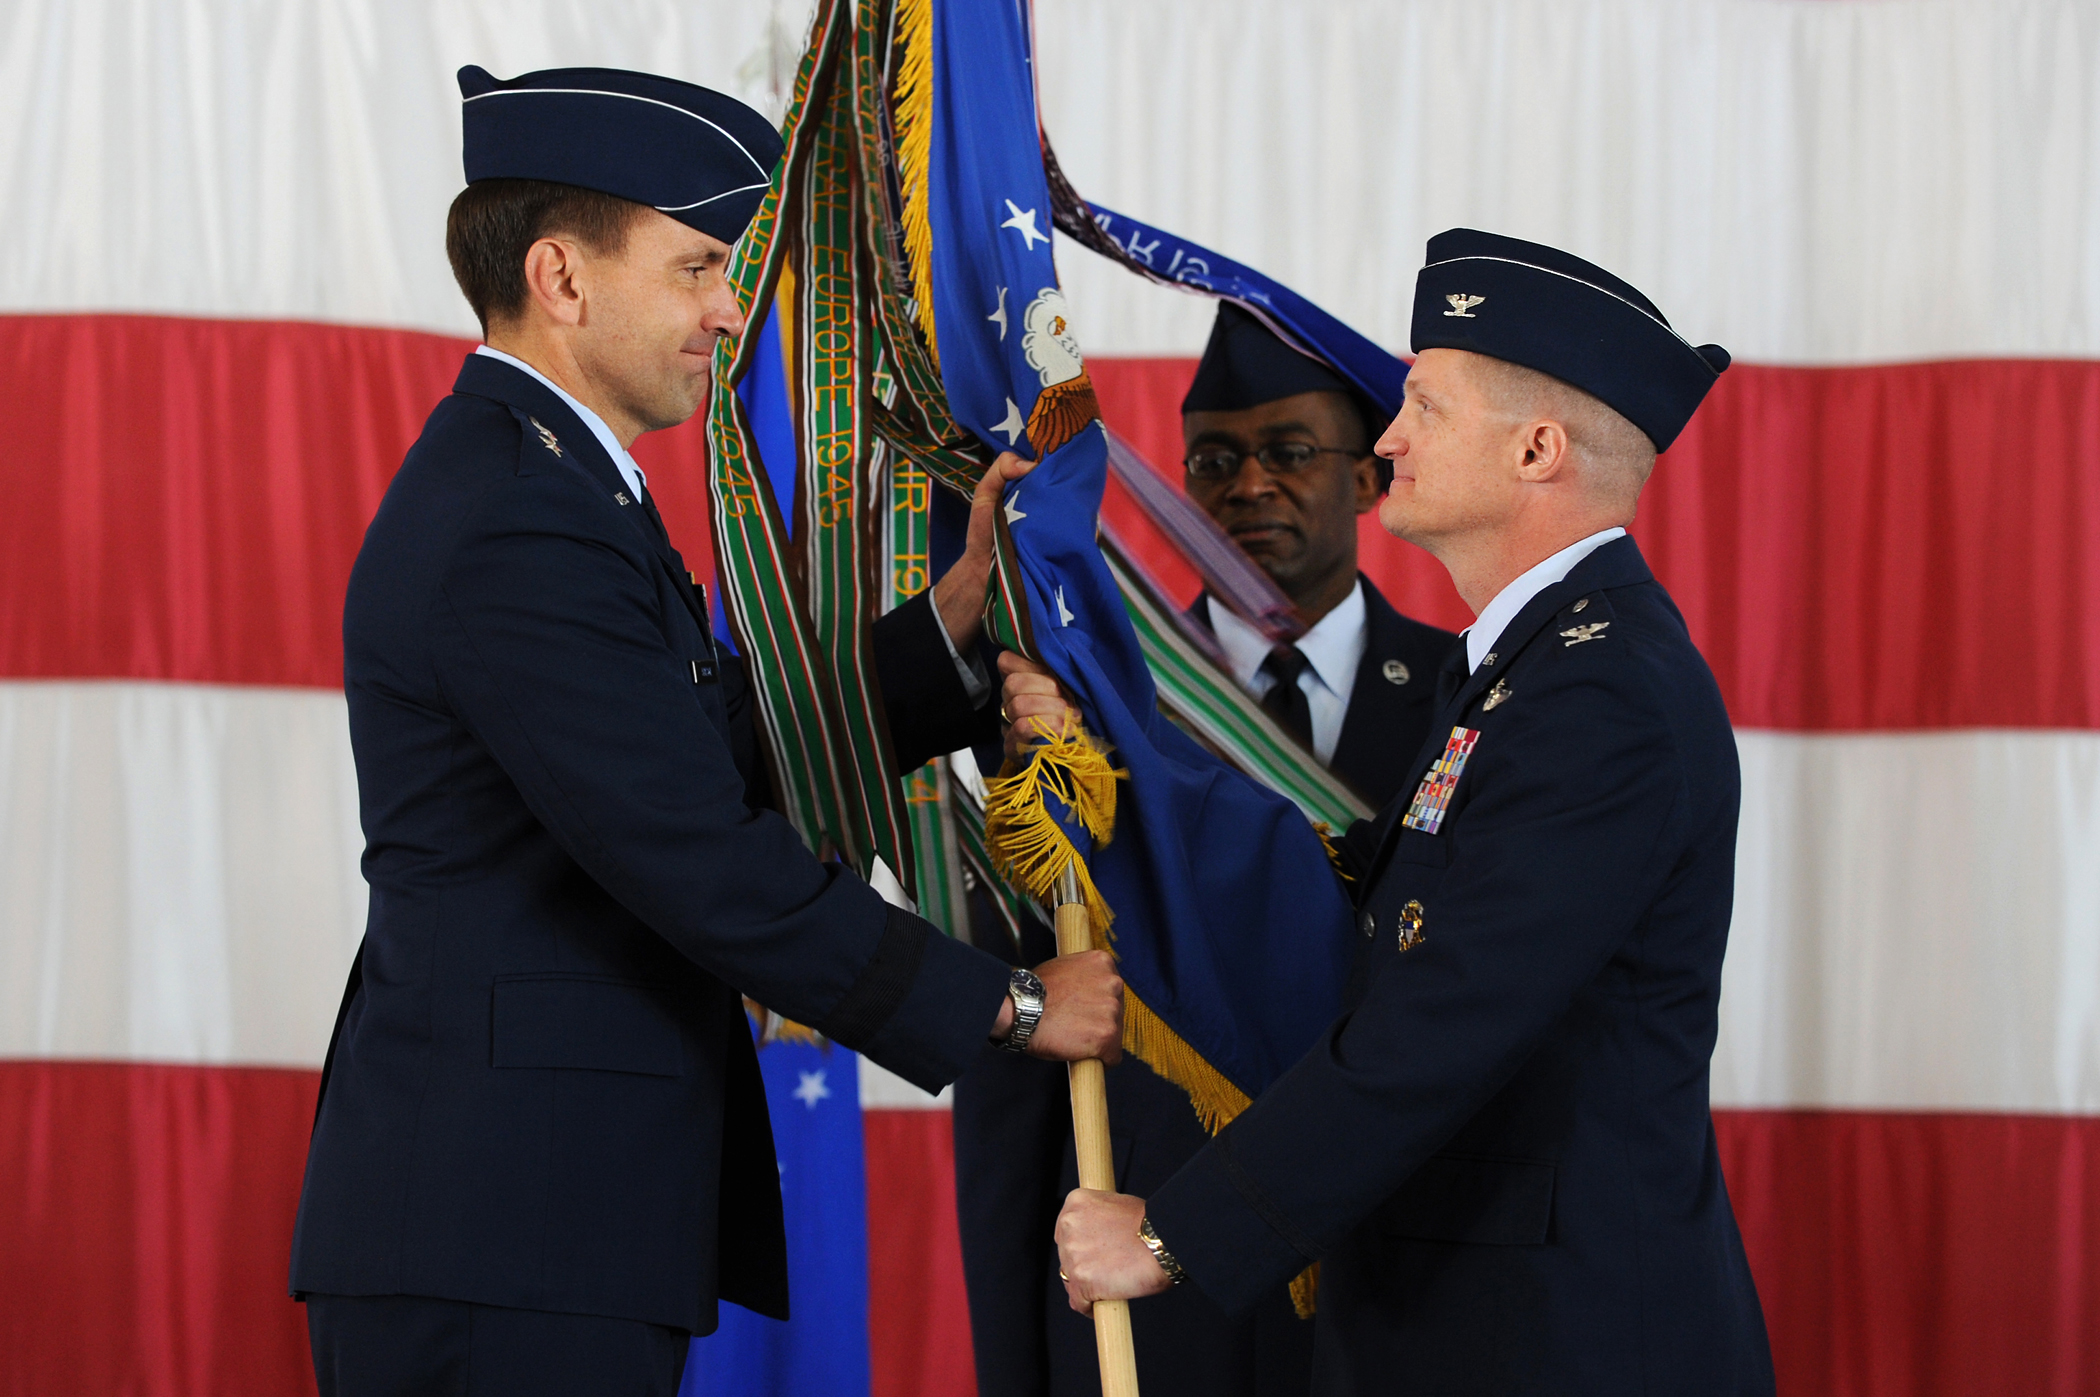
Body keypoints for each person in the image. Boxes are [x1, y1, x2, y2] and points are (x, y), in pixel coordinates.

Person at [288, 65, 1123, 1397]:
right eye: (693, 269)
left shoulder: (556, 488)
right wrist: (1012, 1006)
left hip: (540, 1229)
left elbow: (705, 752)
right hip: (503, 1242)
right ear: (561, 278)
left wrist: (943, 637)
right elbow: (698, 854)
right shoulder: (519, 519)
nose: (728, 311)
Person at [1049, 229, 1776, 1396]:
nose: (1385, 438)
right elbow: (1371, 911)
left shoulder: (1602, 691)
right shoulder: (1523, 669)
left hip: (1560, 1339)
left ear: (1538, 448)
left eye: (1424, 408)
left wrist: (1178, 1231)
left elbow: (1448, 1015)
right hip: (1470, 1320)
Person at [953, 307, 1458, 1397]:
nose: (1249, 485)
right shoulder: (1088, 708)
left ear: (1370, 480)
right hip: (1158, 1275)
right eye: (1214, 460)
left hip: (1398, 1258)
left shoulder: (1467, 695)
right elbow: (1016, 1062)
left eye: (1290, 452)